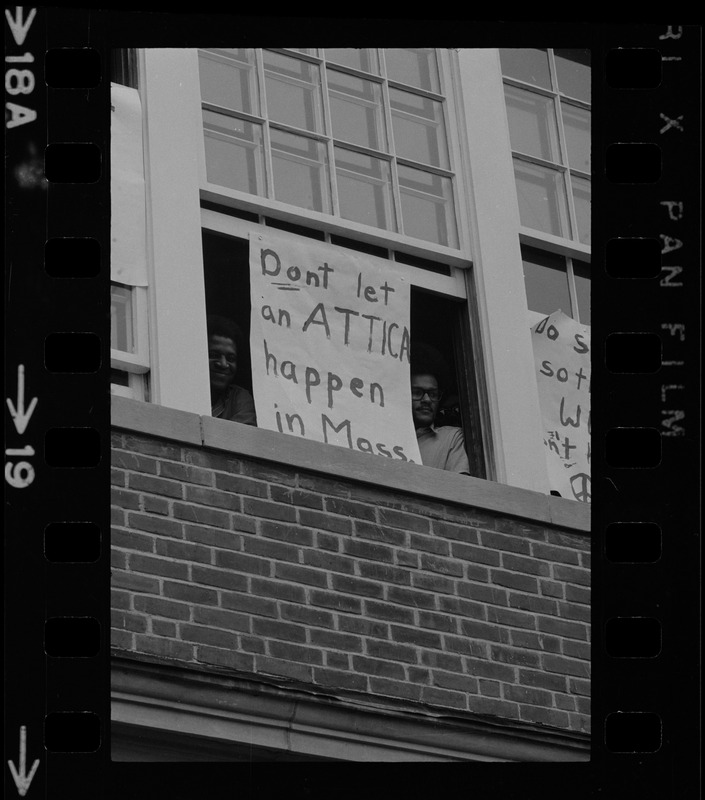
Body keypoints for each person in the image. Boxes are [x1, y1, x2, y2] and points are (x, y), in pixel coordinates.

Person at [411, 345, 470, 475]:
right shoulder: (387, 440)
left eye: (433, 394)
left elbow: (459, 490)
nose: (426, 399)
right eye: (417, 392)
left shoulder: (451, 438)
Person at [207, 315, 257, 426]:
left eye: (230, 358)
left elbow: (240, 438)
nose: (223, 364)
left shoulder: (238, 398)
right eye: (214, 355)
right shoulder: (186, 393)